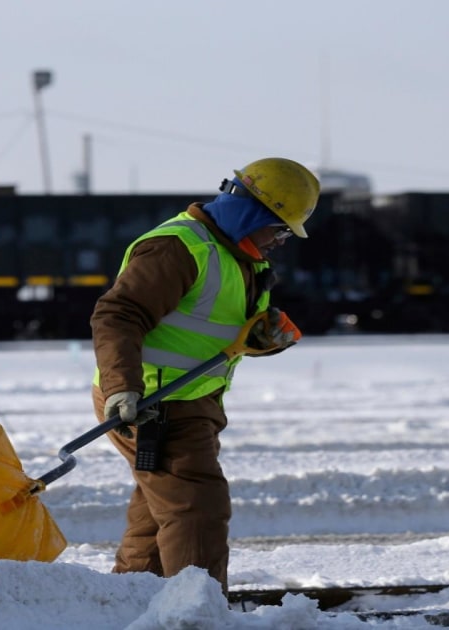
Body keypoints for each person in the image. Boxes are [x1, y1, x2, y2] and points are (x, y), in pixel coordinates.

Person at [89, 157, 320, 594]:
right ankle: (196, 614)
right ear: (254, 214)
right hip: (152, 405)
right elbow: (118, 315)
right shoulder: (178, 248)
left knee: (159, 511)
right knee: (196, 508)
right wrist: (123, 387)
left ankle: (132, 600)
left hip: (189, 400)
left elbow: (203, 327)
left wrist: (260, 337)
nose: (282, 241)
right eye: (281, 229)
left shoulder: (238, 255)